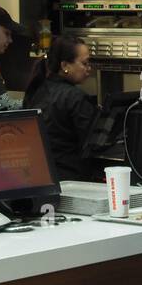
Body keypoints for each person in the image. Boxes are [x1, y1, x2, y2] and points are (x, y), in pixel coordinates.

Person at [22, 35, 98, 181]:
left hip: (40, 176)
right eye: (84, 63)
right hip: (71, 178)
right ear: (64, 66)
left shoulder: (36, 90)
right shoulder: (75, 97)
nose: (89, 69)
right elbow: (92, 141)